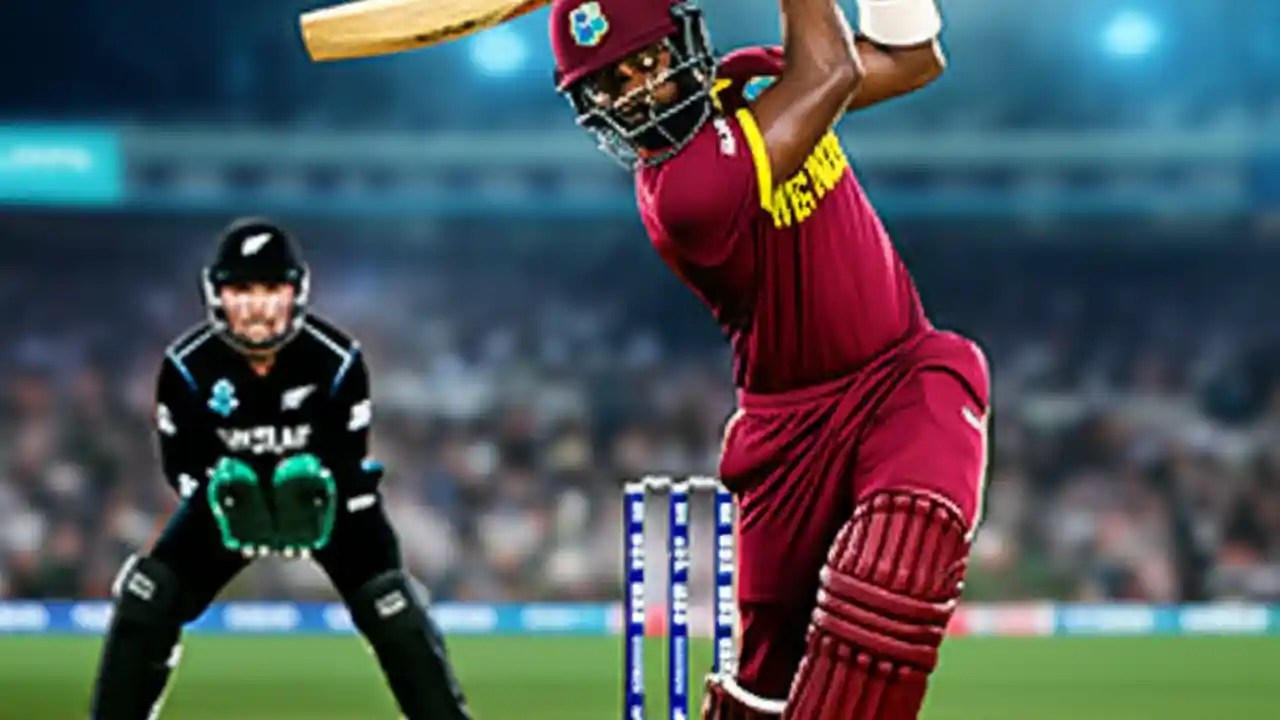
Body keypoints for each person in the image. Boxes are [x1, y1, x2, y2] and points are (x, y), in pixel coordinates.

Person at [550, 1, 989, 718]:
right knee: (760, 694)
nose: (634, 94)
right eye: (608, 84)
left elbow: (912, 61)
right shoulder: (684, 193)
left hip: (903, 377)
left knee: (896, 561)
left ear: (683, 43)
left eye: (646, 63)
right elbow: (832, 68)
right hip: (787, 440)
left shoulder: (749, 83)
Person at [88, 218, 472, 720]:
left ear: (296, 293)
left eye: (271, 290)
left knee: (392, 604)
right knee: (146, 597)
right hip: (227, 501)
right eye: (241, 291)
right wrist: (221, 494)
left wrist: (316, 493)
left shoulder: (336, 360)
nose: (257, 306)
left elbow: (348, 461)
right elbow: (180, 463)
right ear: (216, 295)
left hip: (325, 502)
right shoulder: (186, 366)